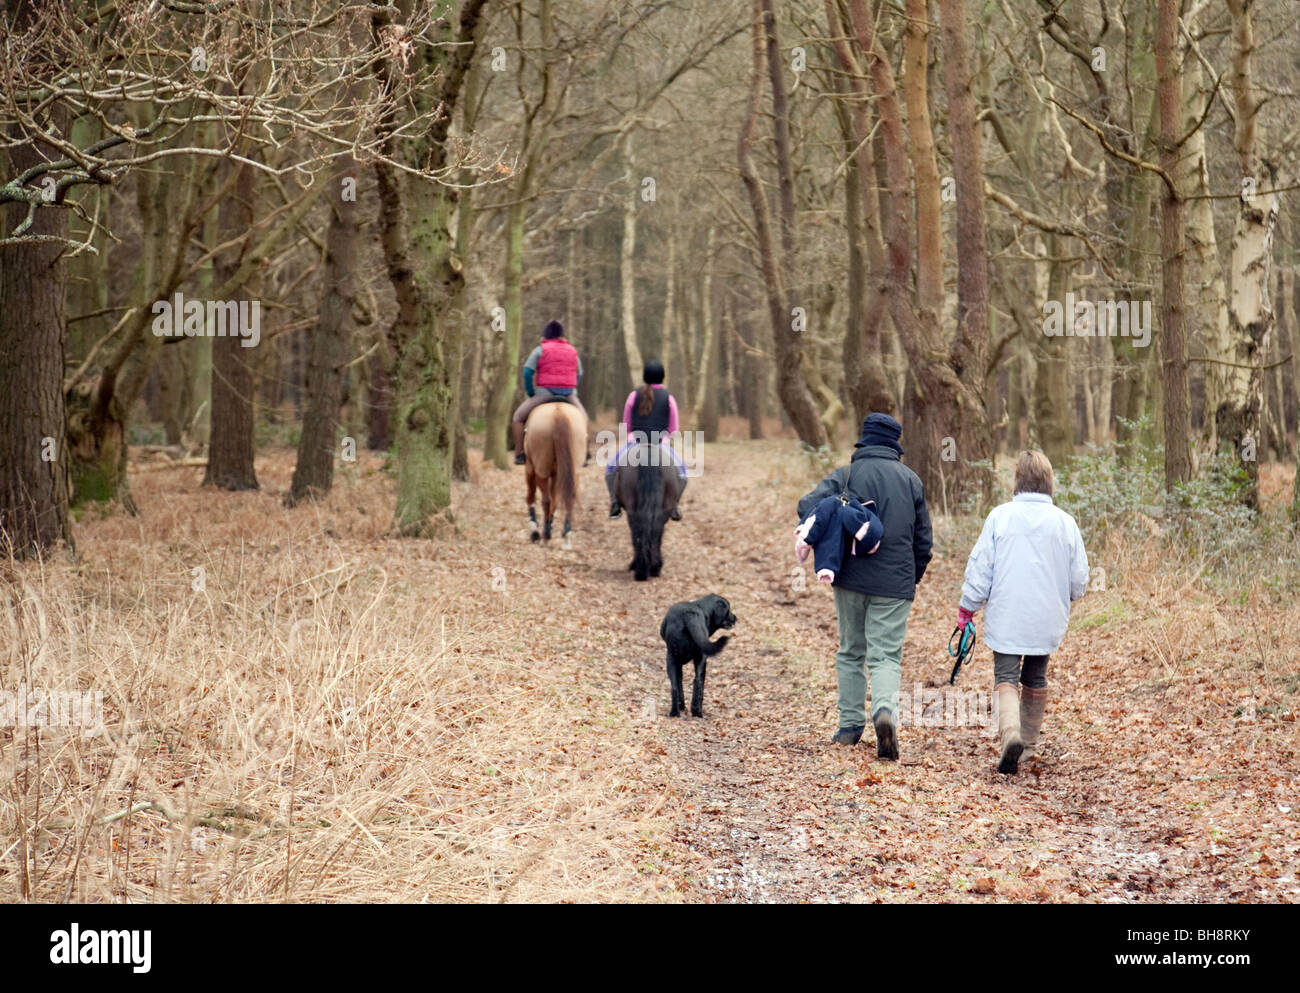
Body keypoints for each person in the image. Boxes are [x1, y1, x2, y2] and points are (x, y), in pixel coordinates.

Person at [797, 413, 932, 759]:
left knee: (851, 650)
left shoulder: (846, 476)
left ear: (864, 442)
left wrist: (833, 520)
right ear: (894, 446)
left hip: (850, 579)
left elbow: (805, 507)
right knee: (885, 655)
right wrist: (910, 578)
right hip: (895, 583)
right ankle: (884, 712)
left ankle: (849, 727)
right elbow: (923, 543)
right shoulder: (911, 480)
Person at [956, 450, 1089, 774]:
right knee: (1035, 676)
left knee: (1005, 677)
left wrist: (968, 608)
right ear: (1049, 483)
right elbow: (1079, 579)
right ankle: (1027, 745)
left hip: (1007, 614)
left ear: (1017, 481)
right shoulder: (1065, 523)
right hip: (1046, 617)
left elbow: (981, 568)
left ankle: (1010, 735)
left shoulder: (1000, 517)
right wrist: (1068, 596)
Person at [605, 360, 687, 520]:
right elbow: (673, 429)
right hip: (660, 444)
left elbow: (627, 425)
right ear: (663, 377)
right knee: (683, 473)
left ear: (644, 377)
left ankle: (615, 504)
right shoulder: (669, 398)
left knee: (610, 469)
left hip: (634, 442)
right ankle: (674, 505)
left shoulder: (633, 395)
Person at [513, 319, 590, 465]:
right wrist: (572, 386)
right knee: (584, 418)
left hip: (544, 393)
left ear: (546, 335)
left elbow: (528, 371)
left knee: (517, 417)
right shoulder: (573, 351)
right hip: (569, 394)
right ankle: (585, 452)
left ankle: (519, 453)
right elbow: (579, 373)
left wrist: (531, 392)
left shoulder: (540, 349)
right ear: (562, 335)